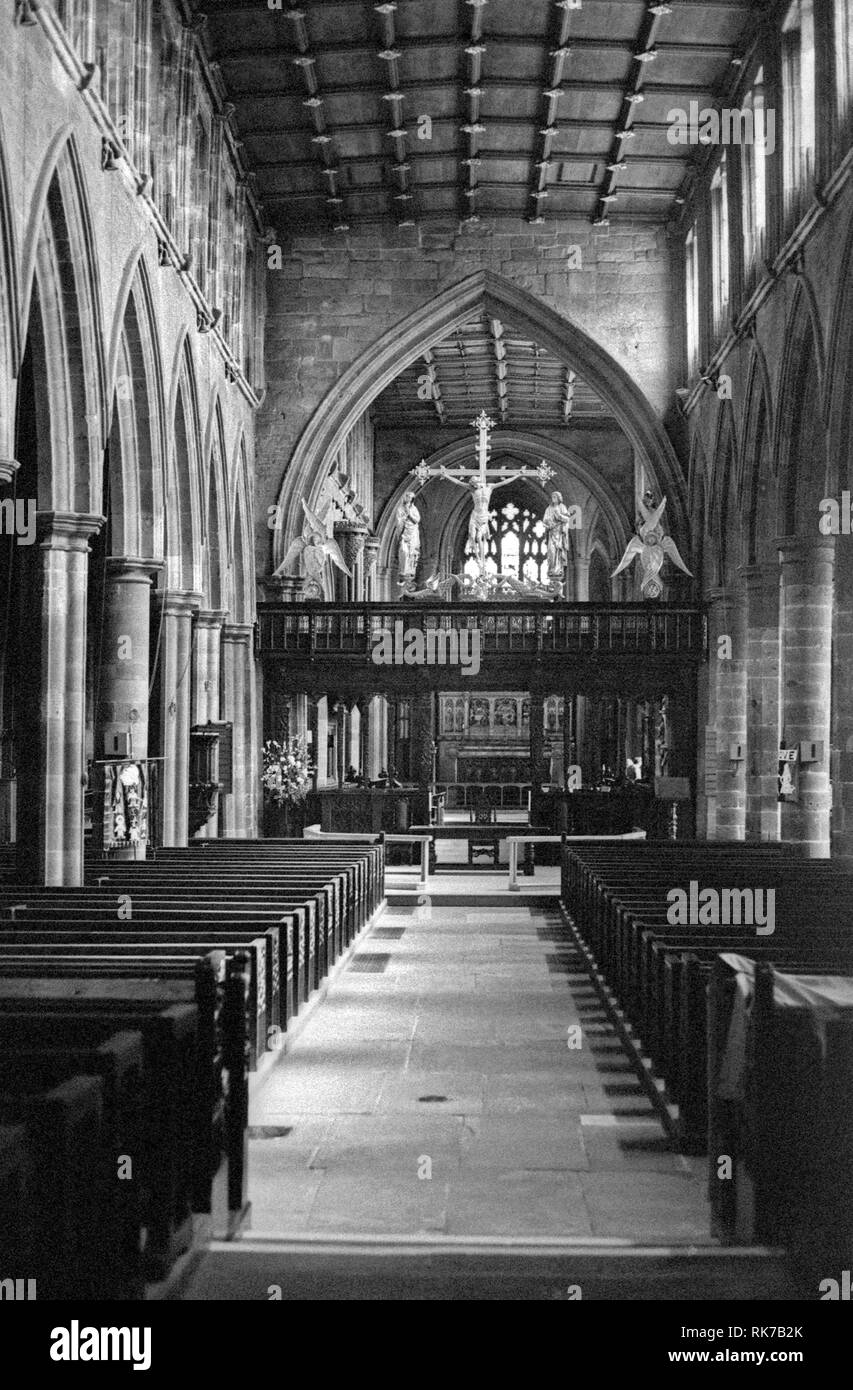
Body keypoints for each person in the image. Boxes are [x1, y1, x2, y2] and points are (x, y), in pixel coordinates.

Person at [439, 466, 525, 572]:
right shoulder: (472, 489)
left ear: (478, 481)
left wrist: (517, 475)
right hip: (475, 515)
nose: (474, 486)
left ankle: (482, 561)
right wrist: (446, 475)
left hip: (484, 516)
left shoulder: (490, 487)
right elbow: (458, 482)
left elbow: (505, 482)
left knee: (479, 538)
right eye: (473, 485)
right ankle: (478, 558)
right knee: (472, 536)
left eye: (475, 483)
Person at [396, 492, 421, 584]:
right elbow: (398, 522)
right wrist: (403, 519)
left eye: (410, 497)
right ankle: (403, 571)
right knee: (403, 550)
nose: (409, 499)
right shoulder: (400, 509)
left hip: (412, 533)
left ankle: (409, 571)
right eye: (407, 497)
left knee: (411, 552)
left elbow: (417, 520)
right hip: (404, 532)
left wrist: (409, 515)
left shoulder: (414, 509)